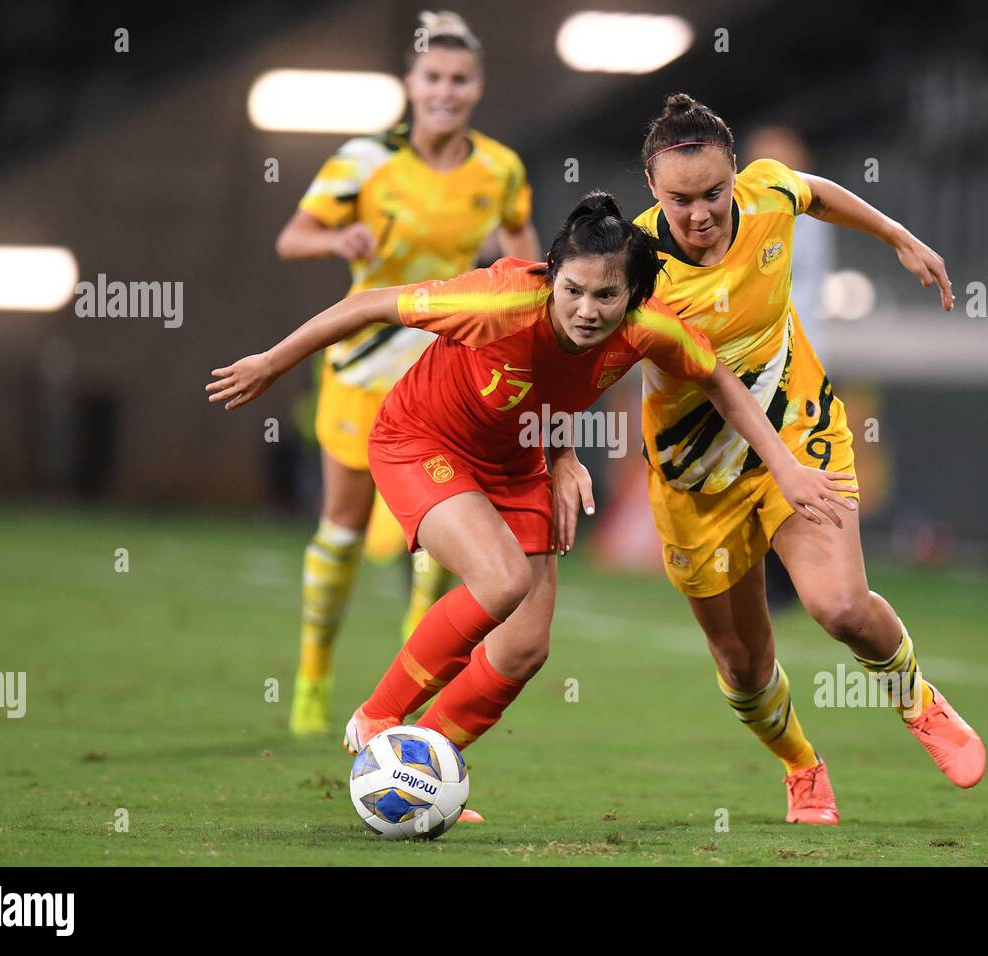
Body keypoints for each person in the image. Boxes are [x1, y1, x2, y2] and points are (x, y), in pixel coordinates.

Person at [208, 193, 858, 822]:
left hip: (518, 464)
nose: (585, 309)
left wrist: (568, 454)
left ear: (635, 297)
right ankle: (380, 716)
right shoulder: (495, 302)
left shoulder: (646, 330)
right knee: (502, 580)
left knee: (523, 647)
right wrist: (273, 361)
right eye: (572, 289)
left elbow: (715, 379)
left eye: (607, 295)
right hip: (420, 442)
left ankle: (420, 770)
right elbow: (370, 304)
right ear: (551, 276)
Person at [556, 94, 984, 825]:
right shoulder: (634, 266)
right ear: (654, 193)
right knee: (743, 667)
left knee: (840, 606)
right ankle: (801, 767)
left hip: (799, 439)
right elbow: (569, 350)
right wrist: (564, 450)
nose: (701, 214)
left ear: (734, 180)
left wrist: (894, 235)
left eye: (713, 193)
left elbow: (816, 192)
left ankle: (917, 699)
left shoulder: (766, 191)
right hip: (696, 481)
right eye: (680, 199)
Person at [273, 11, 539, 737]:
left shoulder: (500, 170)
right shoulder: (364, 160)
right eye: (433, 78)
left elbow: (529, 261)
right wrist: (337, 237)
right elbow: (291, 238)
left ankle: (406, 694)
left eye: (459, 79)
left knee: (444, 548)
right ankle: (312, 678)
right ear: (410, 84)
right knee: (343, 530)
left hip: (444, 377)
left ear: (477, 87)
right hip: (363, 366)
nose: (445, 91)